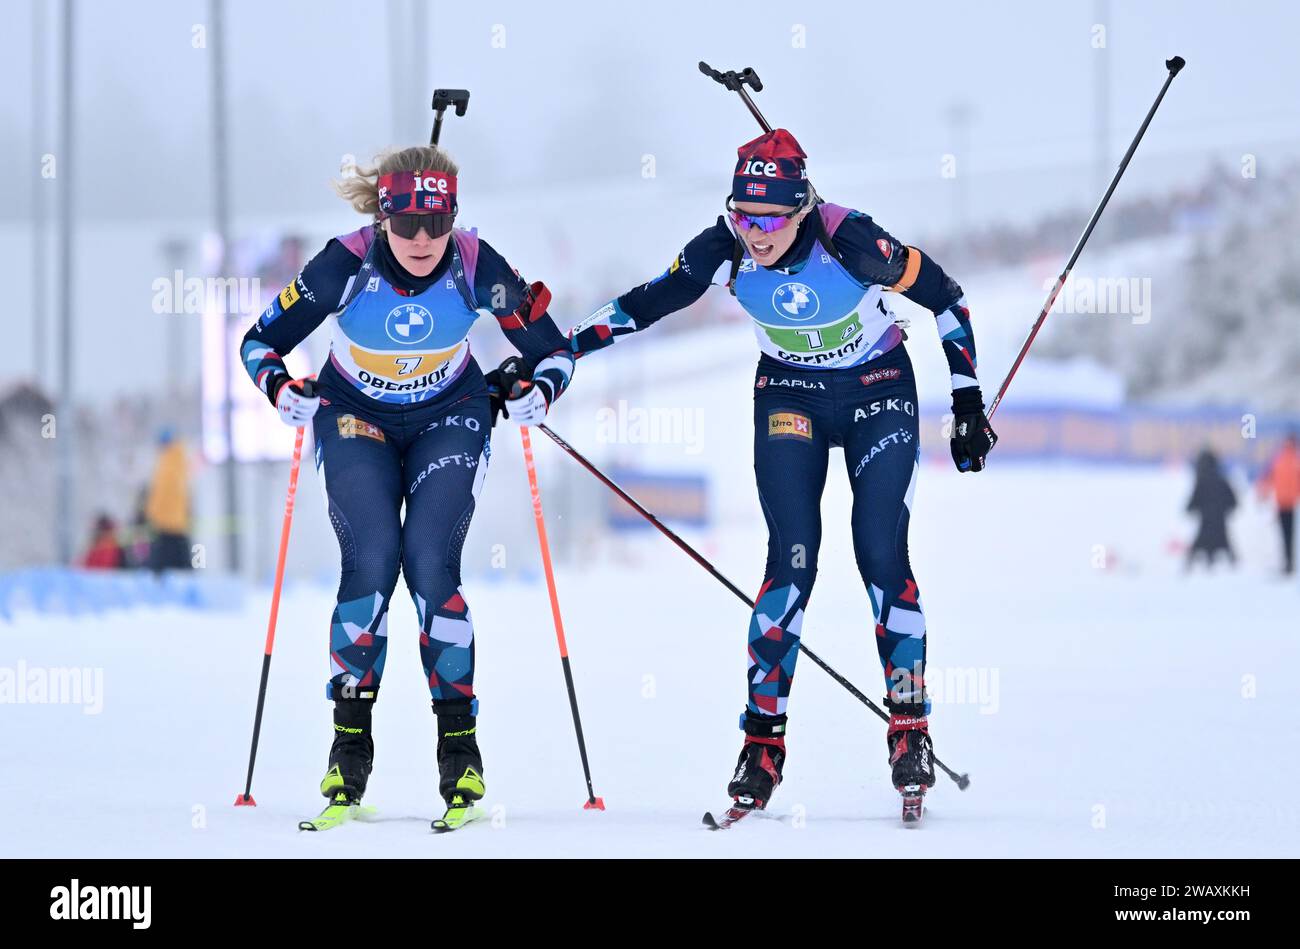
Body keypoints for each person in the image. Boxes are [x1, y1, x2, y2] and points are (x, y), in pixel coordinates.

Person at [565, 128, 996, 818]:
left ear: (802, 207)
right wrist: (559, 356)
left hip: (878, 390)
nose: (756, 233)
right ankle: (762, 745)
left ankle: (909, 728)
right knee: (790, 562)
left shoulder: (852, 240)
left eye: (770, 218)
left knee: (881, 552)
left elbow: (948, 298)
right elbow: (642, 305)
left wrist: (968, 400)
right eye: (744, 214)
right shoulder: (725, 247)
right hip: (789, 396)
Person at [239, 144, 574, 827]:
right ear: (384, 214)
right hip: (355, 416)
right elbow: (258, 342)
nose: (422, 240)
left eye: (437, 223)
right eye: (407, 225)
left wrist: (539, 387)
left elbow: (555, 347)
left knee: (429, 565)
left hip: (449, 417)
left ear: (453, 215)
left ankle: (461, 753)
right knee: (370, 565)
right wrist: (280, 391)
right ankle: (348, 751)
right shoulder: (344, 262)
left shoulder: (478, 263)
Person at [144, 430, 193, 572]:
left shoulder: (167, 465)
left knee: (159, 571)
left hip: (165, 524)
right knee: (183, 568)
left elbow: (161, 495)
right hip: (178, 524)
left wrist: (151, 514)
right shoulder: (179, 462)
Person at [1185, 447, 1237, 570]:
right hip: (1220, 525)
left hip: (1205, 525)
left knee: (1199, 547)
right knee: (1226, 549)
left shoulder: (1201, 482)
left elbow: (1193, 502)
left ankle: (1188, 571)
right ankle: (1235, 569)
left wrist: (1192, 509)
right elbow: (1233, 501)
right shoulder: (1222, 480)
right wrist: (1224, 510)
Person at [1257, 432, 1299, 575]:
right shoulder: (1296, 460)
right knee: (1290, 535)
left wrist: (1263, 493)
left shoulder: (1278, 459)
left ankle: (1288, 563)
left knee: (1285, 535)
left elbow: (1268, 477)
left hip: (1282, 502)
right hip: (1291, 503)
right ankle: (1289, 563)